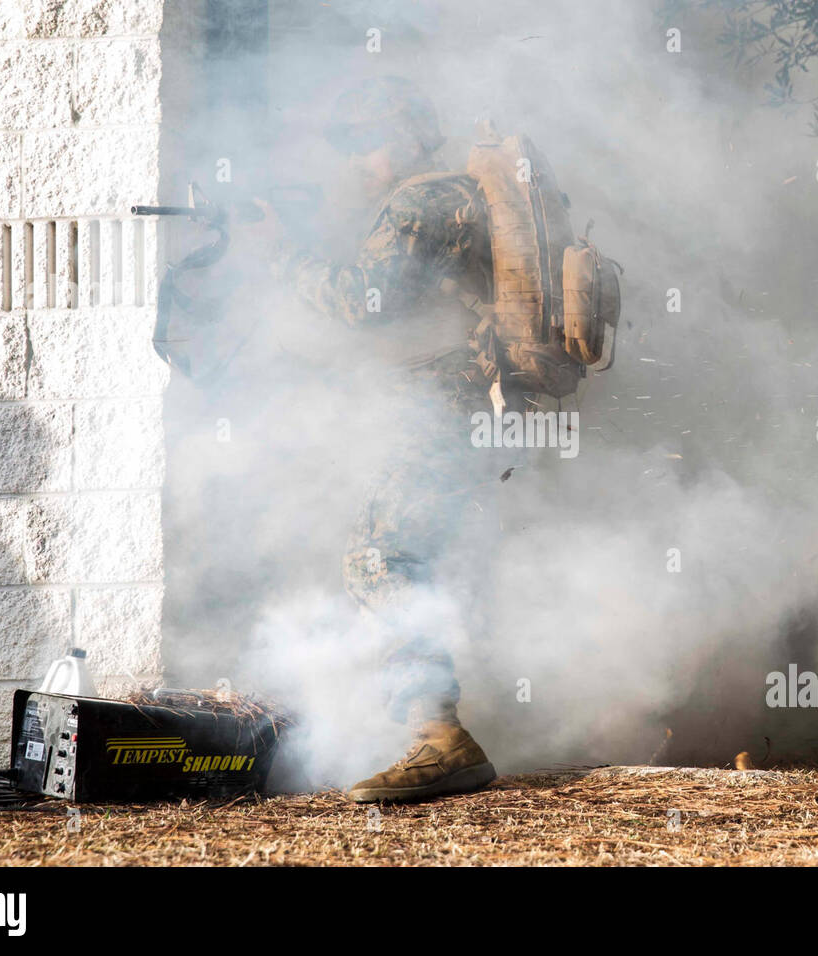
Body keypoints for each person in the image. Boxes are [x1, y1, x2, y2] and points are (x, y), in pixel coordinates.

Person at [255, 76, 504, 802]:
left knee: (380, 555)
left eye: (363, 144)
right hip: (465, 402)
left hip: (441, 402)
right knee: (409, 555)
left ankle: (441, 739)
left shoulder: (421, 202)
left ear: (398, 136)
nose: (358, 163)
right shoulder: (455, 195)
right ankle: (430, 730)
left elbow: (358, 301)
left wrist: (276, 251)